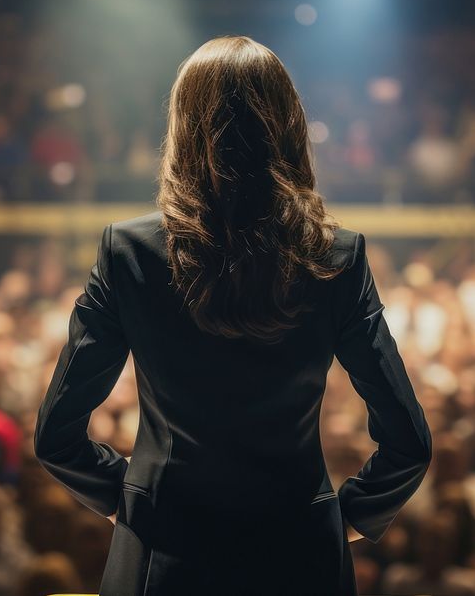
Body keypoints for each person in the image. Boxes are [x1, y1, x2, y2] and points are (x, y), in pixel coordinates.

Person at [33, 36, 433, 595]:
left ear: (182, 126)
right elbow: (409, 443)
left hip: (163, 557)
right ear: (288, 125)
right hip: (301, 559)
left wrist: (132, 501)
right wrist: (342, 519)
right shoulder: (337, 256)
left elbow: (56, 436)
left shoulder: (129, 253)